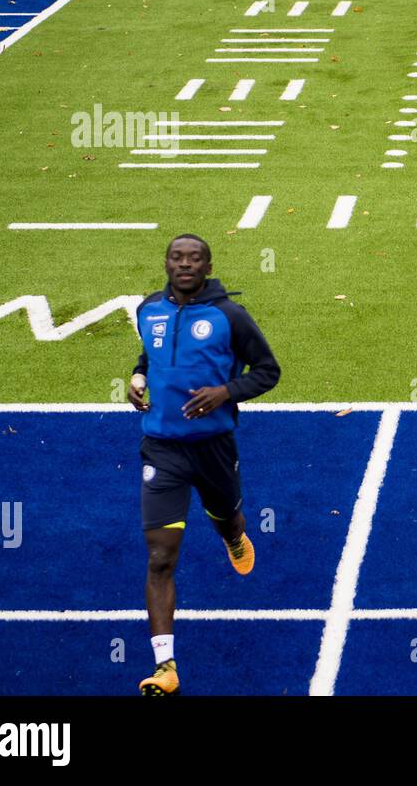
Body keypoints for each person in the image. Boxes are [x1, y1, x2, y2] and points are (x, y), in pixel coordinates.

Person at [128, 233, 280, 695]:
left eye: (195, 259)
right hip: (161, 448)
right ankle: (165, 667)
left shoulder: (229, 316)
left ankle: (234, 537)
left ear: (208, 267)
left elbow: (268, 371)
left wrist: (225, 393)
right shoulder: (148, 309)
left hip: (213, 446)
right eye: (177, 257)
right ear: (166, 264)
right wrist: (137, 375)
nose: (185, 264)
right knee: (160, 557)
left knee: (226, 517)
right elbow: (152, 353)